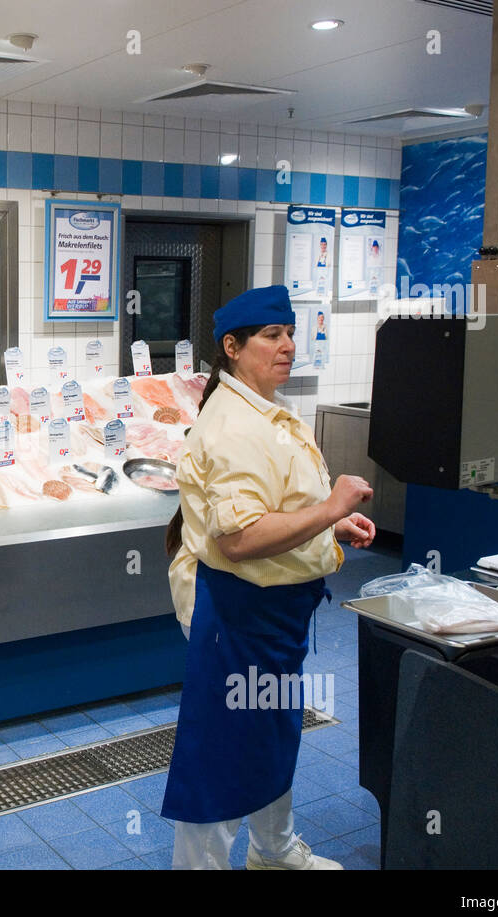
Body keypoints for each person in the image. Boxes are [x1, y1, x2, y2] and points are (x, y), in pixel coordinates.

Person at [161, 284, 375, 870]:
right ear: (232, 347)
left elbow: (277, 509)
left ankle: (273, 851)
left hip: (278, 613)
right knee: (223, 753)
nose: (286, 346)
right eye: (270, 336)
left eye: (288, 334)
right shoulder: (233, 426)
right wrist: (330, 509)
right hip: (239, 616)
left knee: (271, 734)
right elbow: (239, 539)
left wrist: (327, 529)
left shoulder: (267, 411)